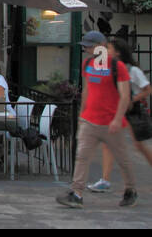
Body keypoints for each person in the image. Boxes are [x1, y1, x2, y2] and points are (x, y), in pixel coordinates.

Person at [58, 31, 138, 209]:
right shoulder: (88, 64)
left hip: (111, 121)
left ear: (101, 45)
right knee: (82, 157)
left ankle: (131, 189)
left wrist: (117, 119)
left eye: (89, 45)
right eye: (85, 46)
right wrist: (82, 113)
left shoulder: (117, 66)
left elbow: (125, 96)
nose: (86, 49)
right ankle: (77, 193)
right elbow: (86, 90)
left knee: (122, 159)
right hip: (90, 120)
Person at [89, 37, 152, 193]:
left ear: (117, 52)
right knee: (107, 143)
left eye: (108, 48)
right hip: (116, 110)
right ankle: (105, 179)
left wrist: (132, 99)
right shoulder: (110, 68)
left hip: (132, 111)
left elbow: (147, 89)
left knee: (139, 146)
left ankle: (111, 181)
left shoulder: (132, 70)